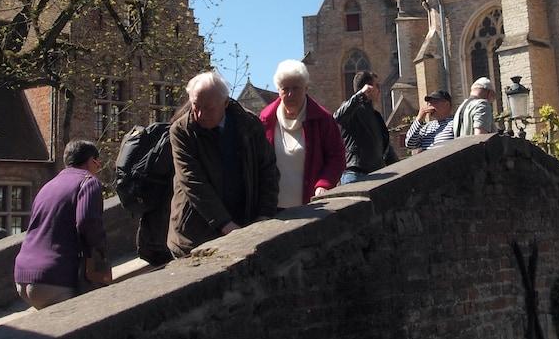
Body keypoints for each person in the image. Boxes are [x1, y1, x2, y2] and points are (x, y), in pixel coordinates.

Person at [168, 70, 279, 257]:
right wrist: (225, 224)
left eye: (209, 108)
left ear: (225, 103)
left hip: (244, 223)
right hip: (196, 234)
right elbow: (192, 181)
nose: (200, 114)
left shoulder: (249, 125)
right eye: (196, 106)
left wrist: (264, 215)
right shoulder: (182, 131)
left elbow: (268, 170)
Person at [14, 139, 109, 310]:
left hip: (22, 276)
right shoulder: (88, 182)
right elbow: (88, 222)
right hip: (55, 277)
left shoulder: (48, 186)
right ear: (92, 161)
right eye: (98, 163)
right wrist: (100, 254)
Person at [261, 59, 346, 207]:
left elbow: (337, 157)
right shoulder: (265, 120)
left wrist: (324, 184)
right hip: (273, 209)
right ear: (278, 90)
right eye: (285, 89)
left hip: (312, 206)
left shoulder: (323, 119)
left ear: (306, 88)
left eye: (296, 88)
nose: (290, 94)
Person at [335, 69, 397, 185]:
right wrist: (360, 95)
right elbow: (337, 117)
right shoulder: (352, 109)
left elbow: (385, 149)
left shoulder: (376, 116)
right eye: (376, 86)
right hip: (355, 175)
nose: (379, 90)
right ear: (368, 88)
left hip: (377, 175)